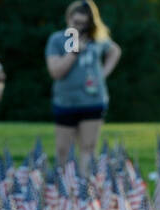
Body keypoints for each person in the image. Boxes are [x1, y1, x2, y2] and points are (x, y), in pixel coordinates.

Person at [44, 1, 121, 175]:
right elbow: (55, 72)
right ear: (68, 19)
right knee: (63, 150)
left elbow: (115, 51)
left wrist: (102, 74)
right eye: (75, 23)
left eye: (83, 24)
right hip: (66, 102)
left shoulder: (97, 39)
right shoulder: (57, 39)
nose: (79, 28)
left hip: (93, 101)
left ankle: (85, 189)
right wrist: (74, 52)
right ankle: (62, 188)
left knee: (88, 148)